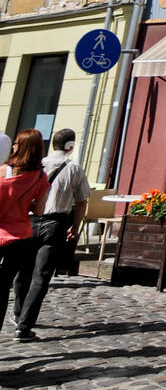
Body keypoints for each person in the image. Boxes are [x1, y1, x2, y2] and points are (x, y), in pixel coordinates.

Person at [11, 128, 90, 340]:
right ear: (70, 146)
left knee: (22, 271)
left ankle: (18, 313)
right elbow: (82, 202)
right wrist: (76, 224)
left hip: (29, 220)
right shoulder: (74, 168)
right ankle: (24, 326)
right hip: (55, 223)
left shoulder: (37, 165)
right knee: (41, 276)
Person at [0, 131, 49, 334]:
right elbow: (39, 210)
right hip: (21, 236)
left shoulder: (3, 172)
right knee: (3, 287)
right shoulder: (40, 176)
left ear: (20, 146)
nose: (13, 147)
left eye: (16, 144)